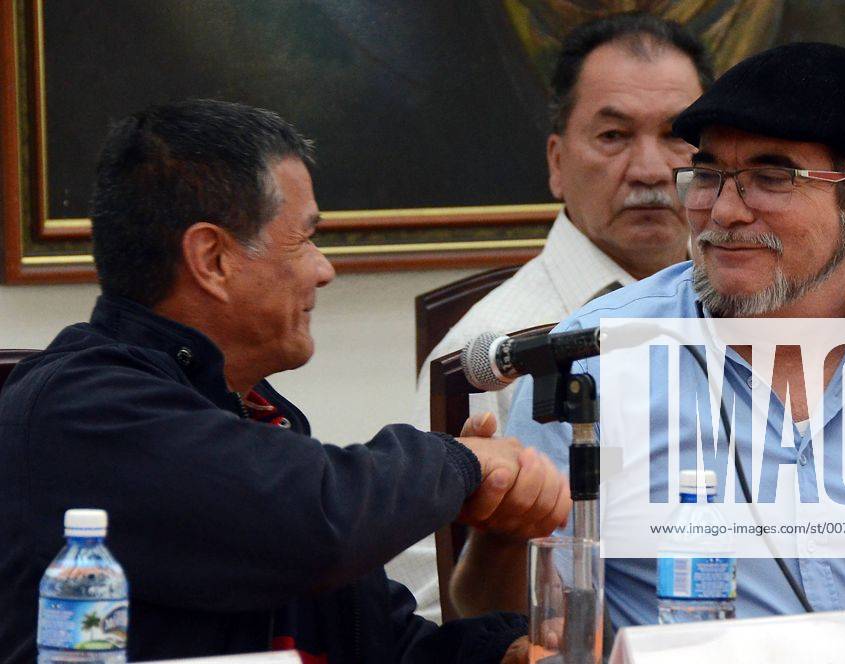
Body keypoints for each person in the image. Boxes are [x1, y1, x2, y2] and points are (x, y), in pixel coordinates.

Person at [455, 42, 845, 645]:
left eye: (771, 178)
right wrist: (501, 538)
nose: (726, 211)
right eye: (710, 175)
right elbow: (509, 628)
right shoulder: (595, 361)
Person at [0, 99, 571, 663]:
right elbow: (317, 519)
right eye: (304, 239)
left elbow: (376, 643)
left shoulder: (256, 414)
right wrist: (461, 461)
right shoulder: (79, 408)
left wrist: (508, 654)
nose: (324, 269)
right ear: (212, 258)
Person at [401, 11, 713, 621]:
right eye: (614, 136)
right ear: (556, 162)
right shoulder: (488, 351)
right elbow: (430, 600)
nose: (651, 169)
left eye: (678, 137)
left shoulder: (751, 309)